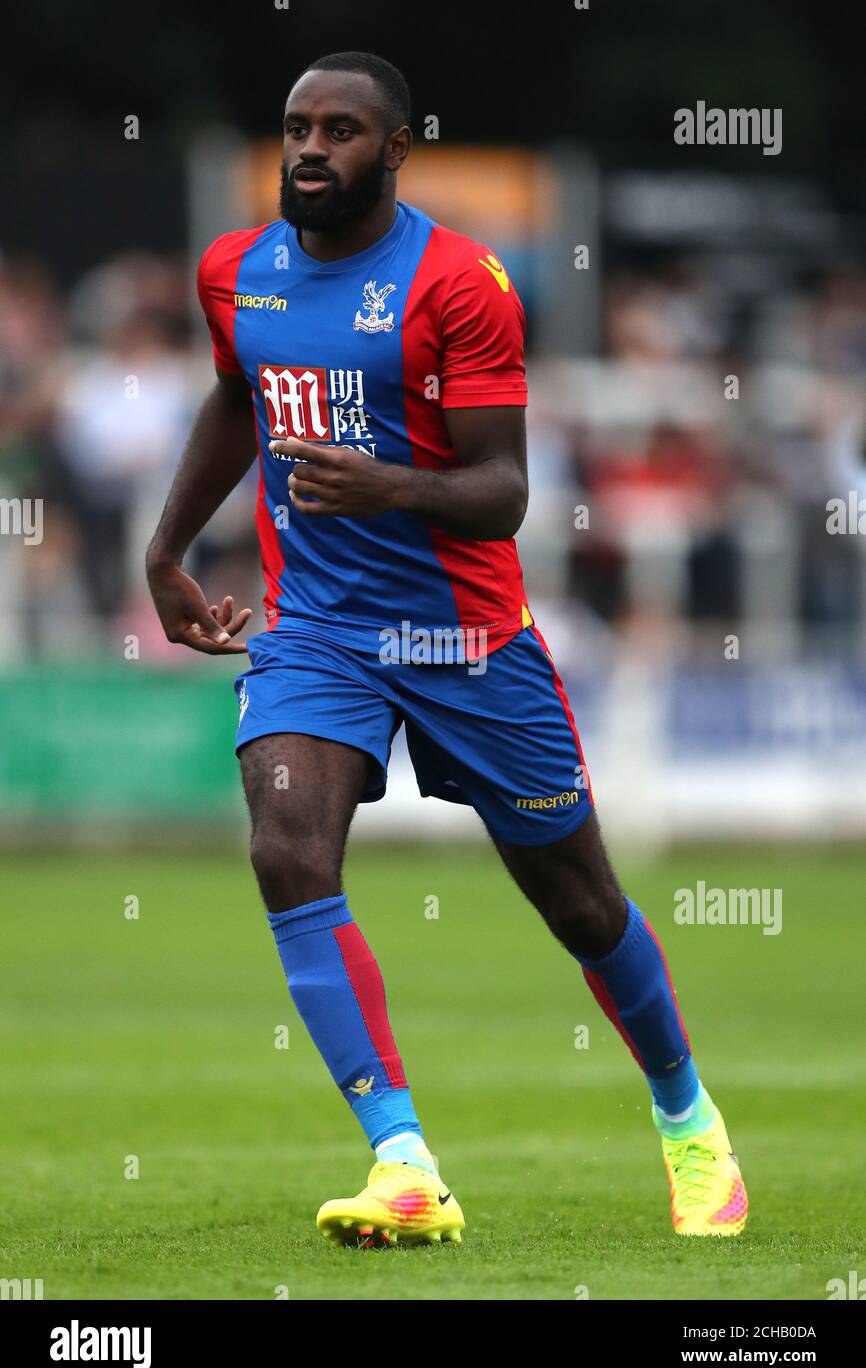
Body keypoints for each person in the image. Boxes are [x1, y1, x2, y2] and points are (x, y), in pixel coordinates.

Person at [146, 51, 747, 1247]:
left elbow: (501, 493)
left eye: (339, 132)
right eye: (294, 129)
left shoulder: (458, 282)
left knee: (577, 901)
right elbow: (235, 395)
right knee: (285, 845)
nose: (309, 150)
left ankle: (687, 1119)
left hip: (467, 636)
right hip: (315, 631)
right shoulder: (235, 271)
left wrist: (386, 484)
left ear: (395, 149)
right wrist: (167, 549)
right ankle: (403, 1160)